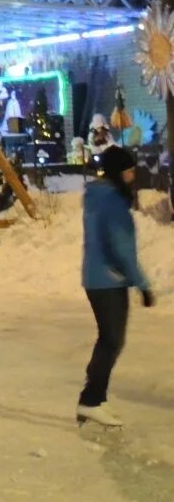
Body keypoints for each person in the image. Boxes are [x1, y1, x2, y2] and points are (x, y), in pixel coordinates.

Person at [76, 147, 155, 427]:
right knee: (112, 341)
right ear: (119, 172)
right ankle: (90, 400)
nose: (133, 174)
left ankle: (97, 396)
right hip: (108, 280)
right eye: (129, 170)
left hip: (97, 278)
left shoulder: (98, 196)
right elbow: (121, 248)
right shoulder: (112, 201)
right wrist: (142, 284)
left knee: (109, 340)